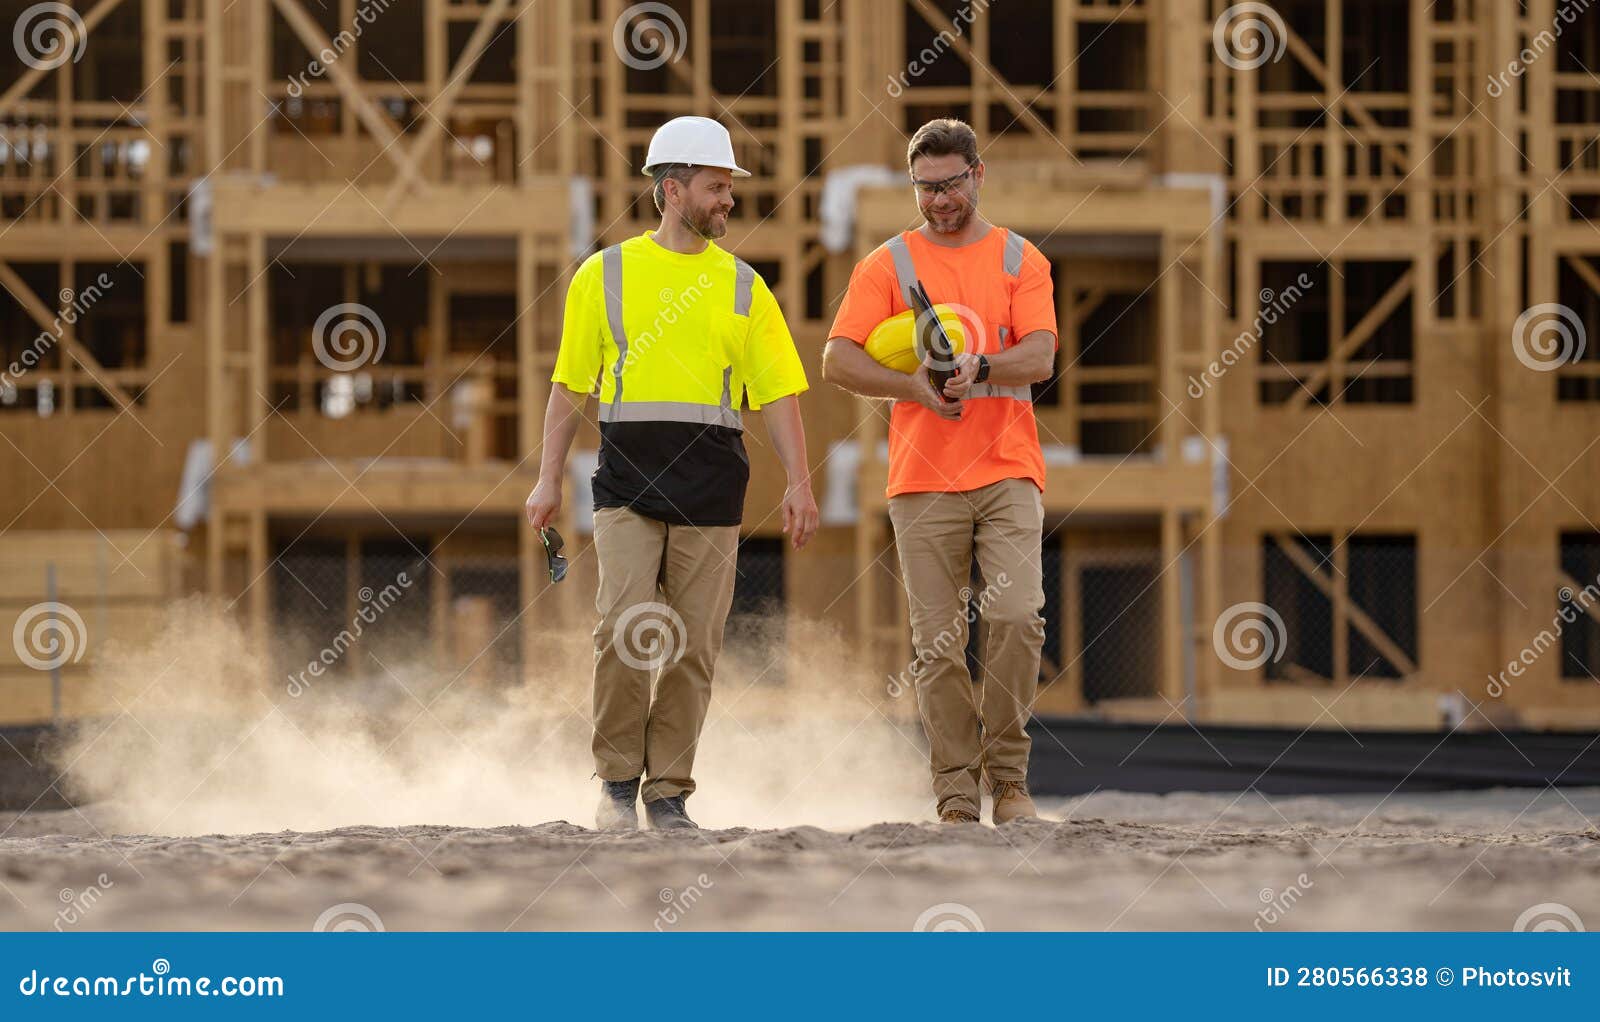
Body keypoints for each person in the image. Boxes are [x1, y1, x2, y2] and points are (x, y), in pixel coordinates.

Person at [525, 116, 818, 831]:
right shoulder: (605, 275)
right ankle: (619, 786)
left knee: (692, 647)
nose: (728, 200)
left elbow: (778, 393)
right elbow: (570, 387)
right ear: (671, 189)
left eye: (728, 189)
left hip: (713, 496)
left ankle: (669, 795)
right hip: (627, 487)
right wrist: (546, 478)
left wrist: (801, 482)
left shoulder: (745, 287)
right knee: (624, 629)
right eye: (717, 188)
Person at [821, 118, 1057, 825]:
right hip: (922, 479)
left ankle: (1009, 784)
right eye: (924, 187)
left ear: (978, 175)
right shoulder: (887, 265)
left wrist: (979, 367)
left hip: (1009, 467)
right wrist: (915, 388)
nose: (938, 200)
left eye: (950, 184)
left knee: (1017, 618)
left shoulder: (1020, 259)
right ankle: (956, 793)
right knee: (938, 645)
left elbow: (1041, 356)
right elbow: (838, 359)